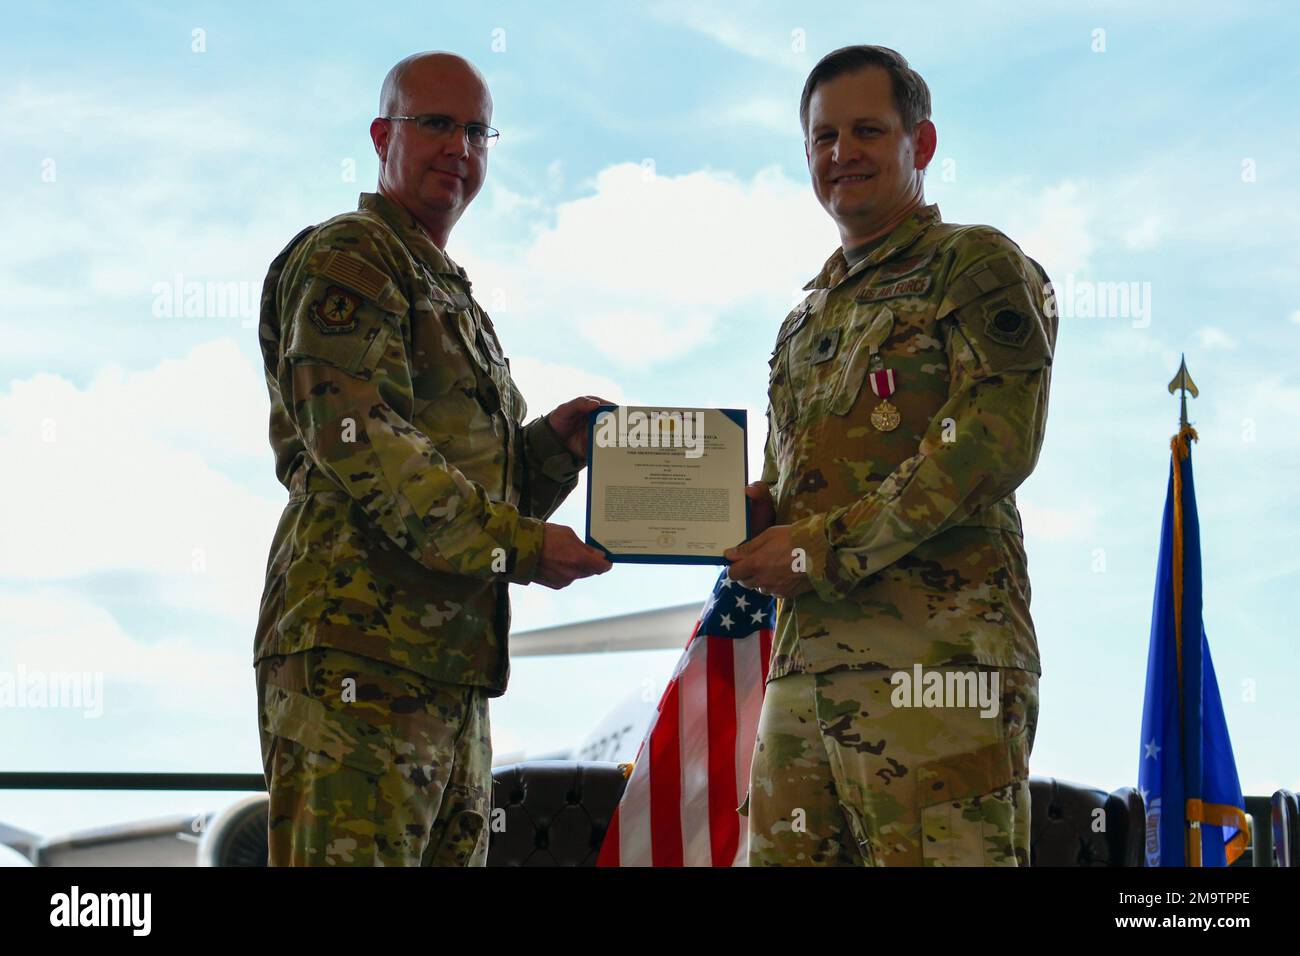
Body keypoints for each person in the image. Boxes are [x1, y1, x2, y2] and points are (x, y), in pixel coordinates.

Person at [253, 51, 612, 866]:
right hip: (359, 655)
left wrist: (552, 449)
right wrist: (521, 546)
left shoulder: (446, 288)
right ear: (384, 135)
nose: (459, 146)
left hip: (448, 665)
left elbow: (472, 481)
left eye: (476, 130)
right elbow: (366, 444)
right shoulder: (354, 256)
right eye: (436, 124)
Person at [725, 45, 1057, 866]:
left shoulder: (976, 268)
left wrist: (819, 545)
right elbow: (796, 483)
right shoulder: (805, 322)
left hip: (936, 668)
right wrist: (736, 514)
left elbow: (990, 443)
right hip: (805, 672)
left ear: (923, 142)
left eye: (867, 130)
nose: (843, 154)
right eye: (823, 137)